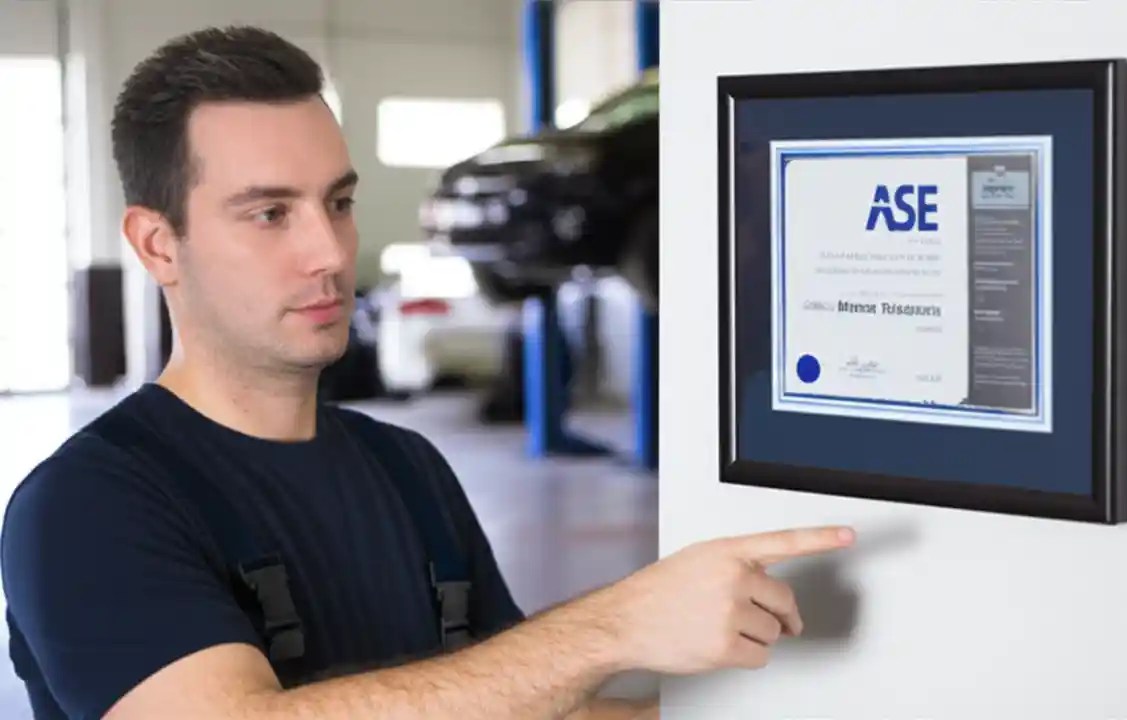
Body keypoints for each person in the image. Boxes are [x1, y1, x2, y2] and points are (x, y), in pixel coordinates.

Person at [0, 26, 856, 720]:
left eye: (338, 202)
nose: (330, 252)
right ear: (157, 244)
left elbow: (515, 699)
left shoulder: (408, 469)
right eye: (270, 214)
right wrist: (614, 627)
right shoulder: (87, 505)